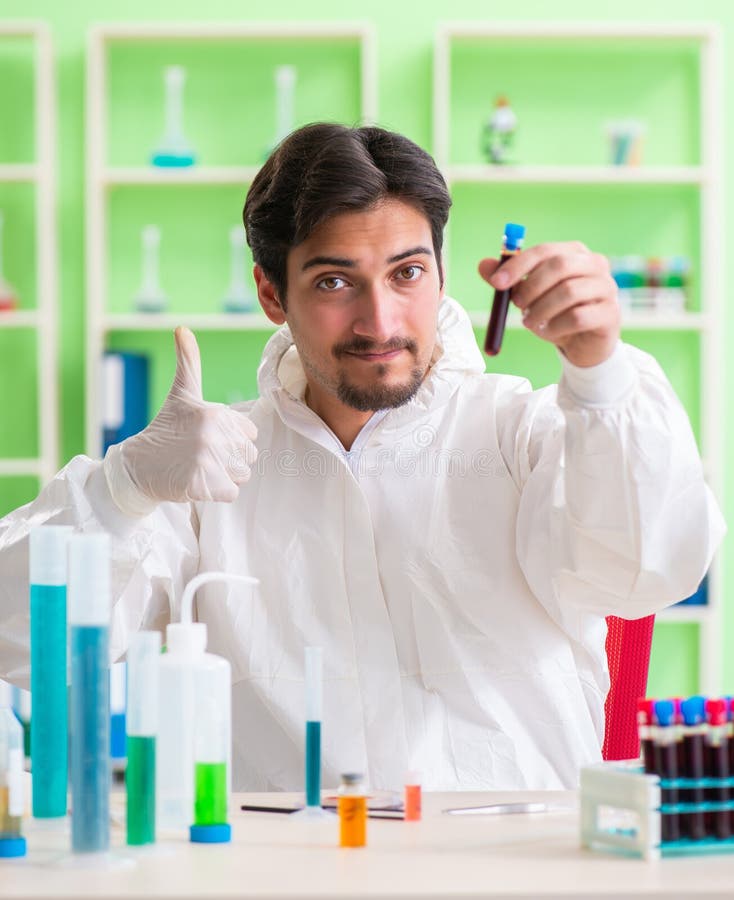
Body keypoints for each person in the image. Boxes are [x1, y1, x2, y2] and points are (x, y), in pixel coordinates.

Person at [0, 123, 724, 791]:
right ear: (269, 293)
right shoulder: (209, 471)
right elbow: (24, 647)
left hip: (511, 859)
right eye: (334, 282)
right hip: (289, 868)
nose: (380, 321)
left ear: (441, 270)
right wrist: (123, 487)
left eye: (407, 273)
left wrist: (600, 375)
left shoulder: (522, 432)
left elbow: (650, 571)